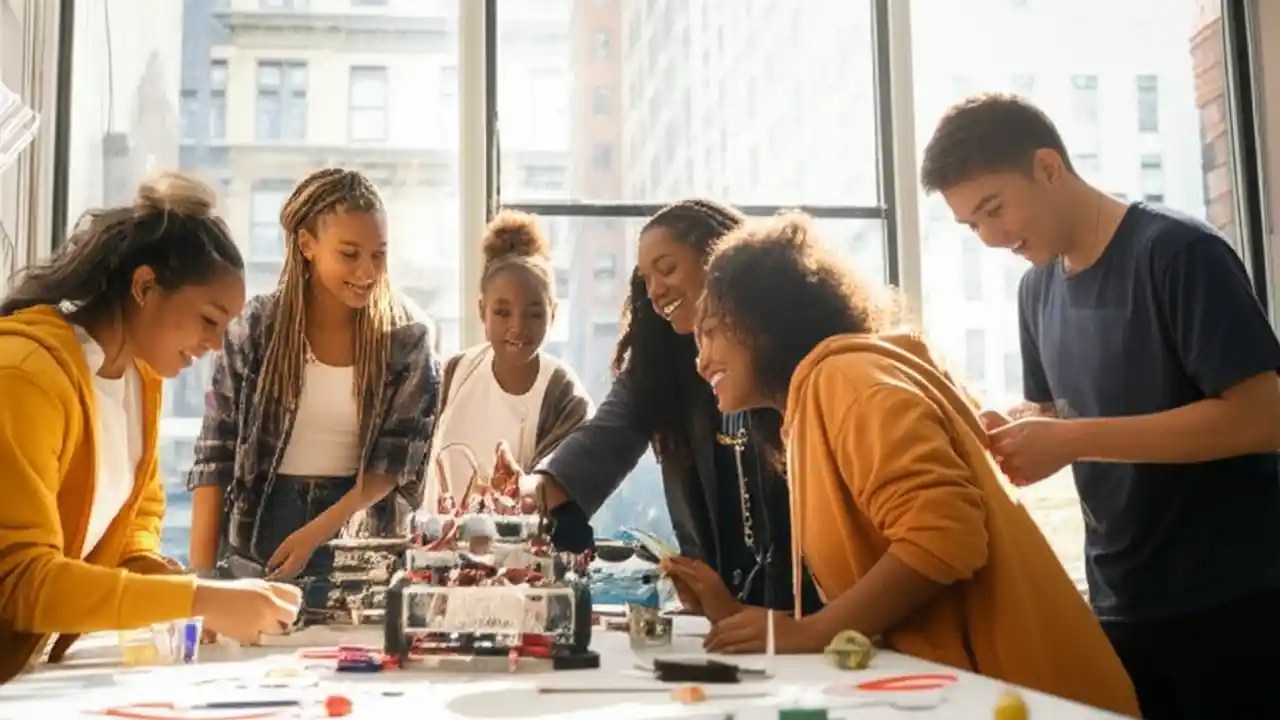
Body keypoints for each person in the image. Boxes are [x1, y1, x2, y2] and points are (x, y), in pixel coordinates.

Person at [689, 212, 1138, 716]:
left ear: (762, 321)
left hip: (1022, 699)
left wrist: (812, 631)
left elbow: (944, 535)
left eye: (709, 333)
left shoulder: (846, 381)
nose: (701, 361)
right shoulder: (825, 393)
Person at [920, 93, 1280, 719]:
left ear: (1049, 167)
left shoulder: (1177, 252)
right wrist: (1021, 429)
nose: (991, 238)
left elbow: (1262, 418)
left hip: (1237, 598)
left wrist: (1071, 438)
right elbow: (1062, 413)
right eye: (972, 225)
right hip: (1120, 603)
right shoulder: (1036, 290)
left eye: (994, 209)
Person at [0, 174, 301, 683]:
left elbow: (130, 532)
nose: (214, 345)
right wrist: (199, 597)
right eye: (208, 320)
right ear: (144, 286)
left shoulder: (139, 379)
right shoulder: (24, 375)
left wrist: (185, 594)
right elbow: (20, 583)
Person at [525, 199, 823, 621]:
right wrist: (523, 493)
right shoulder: (658, 365)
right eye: (646, 279)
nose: (655, 291)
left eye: (667, 269)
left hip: (813, 616)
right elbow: (594, 449)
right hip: (721, 615)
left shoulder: (809, 365)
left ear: (724, 259)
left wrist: (814, 627)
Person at [187, 168, 439, 591]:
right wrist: (201, 581)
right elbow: (215, 455)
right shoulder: (256, 328)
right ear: (307, 245)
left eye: (378, 254)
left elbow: (395, 465)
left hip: (361, 541)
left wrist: (316, 533)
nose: (367, 271)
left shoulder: (407, 338)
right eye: (349, 253)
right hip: (260, 534)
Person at [424, 211, 591, 513]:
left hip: (521, 556)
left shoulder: (564, 394)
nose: (518, 326)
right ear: (481, 311)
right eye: (502, 313)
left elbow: (566, 492)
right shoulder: (455, 372)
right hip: (439, 550)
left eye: (534, 313)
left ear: (552, 313)